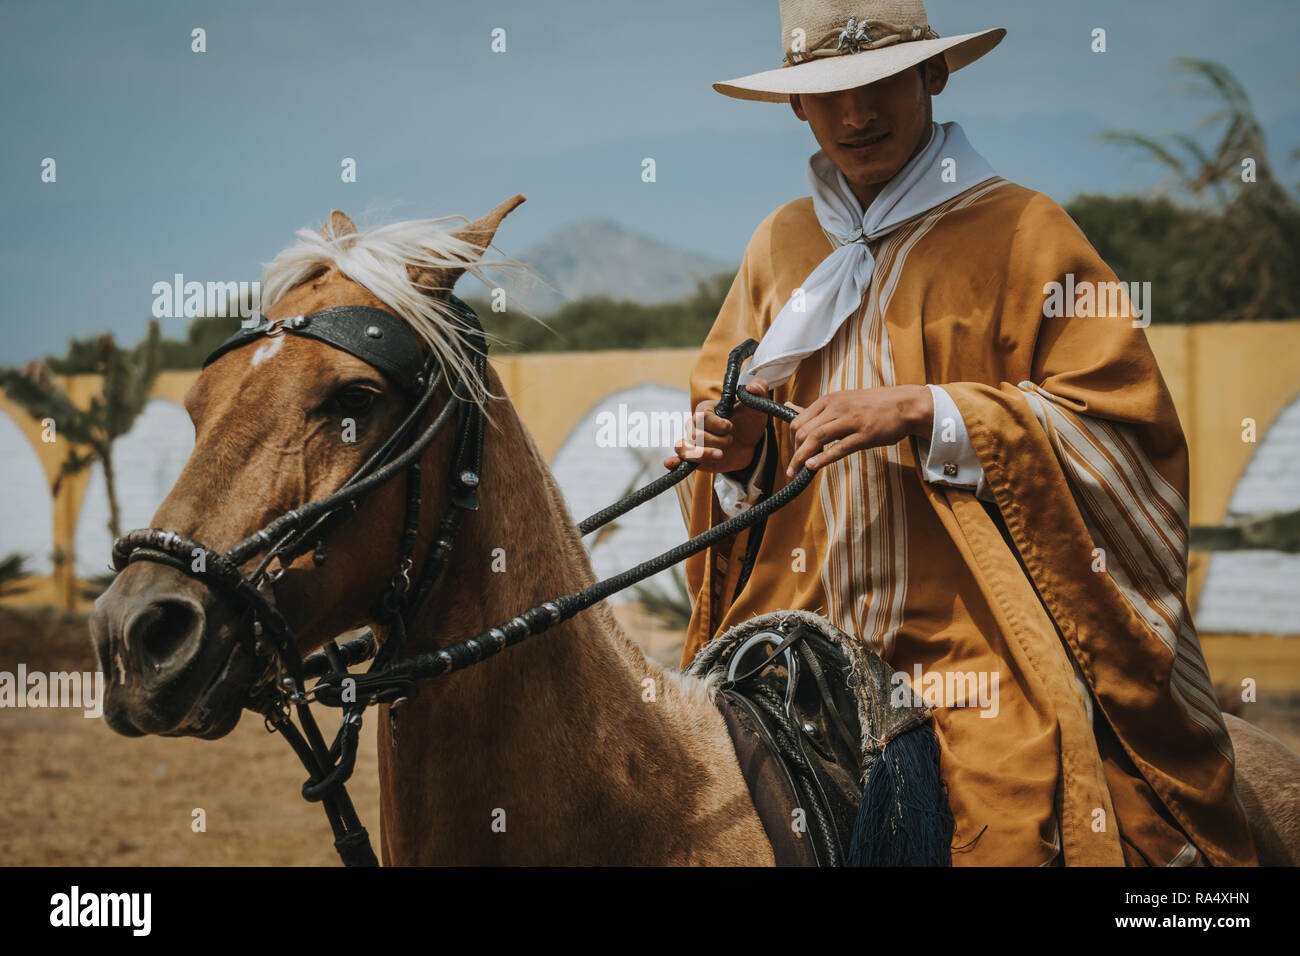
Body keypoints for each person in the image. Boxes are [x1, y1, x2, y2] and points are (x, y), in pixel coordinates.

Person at [666, 0, 1257, 866]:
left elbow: (1125, 434)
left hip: (979, 659)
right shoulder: (777, 246)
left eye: (881, 85)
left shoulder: (1026, 230)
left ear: (933, 75)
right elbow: (724, 434)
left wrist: (931, 410)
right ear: (797, 104)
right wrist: (736, 454)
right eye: (830, 94)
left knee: (1019, 841)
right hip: (792, 639)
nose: (857, 115)